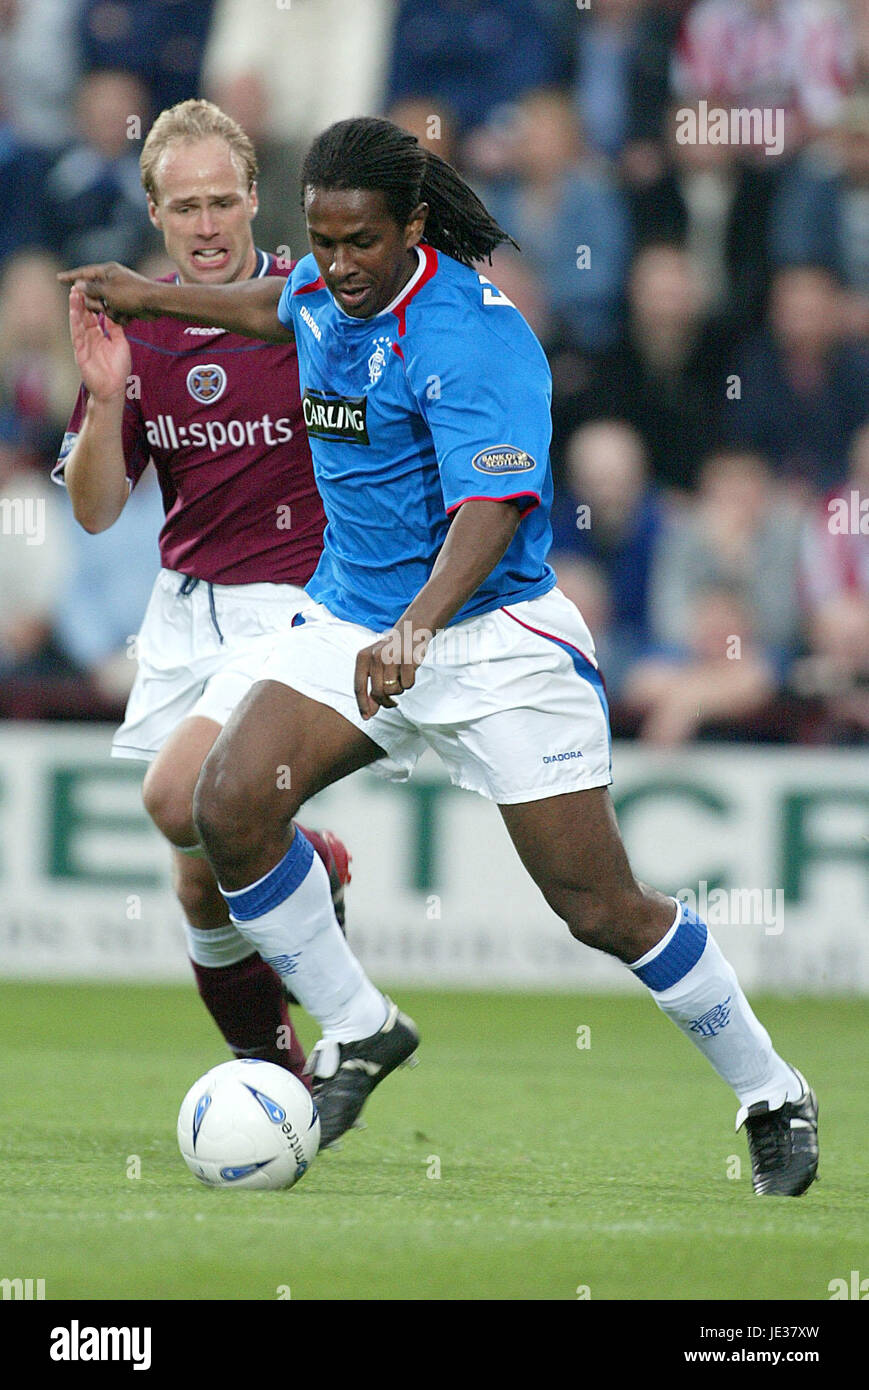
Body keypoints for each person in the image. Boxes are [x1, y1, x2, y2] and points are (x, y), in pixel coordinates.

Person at [61, 116, 818, 1196]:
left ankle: (770, 1090)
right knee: (222, 801)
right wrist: (147, 296)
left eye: (359, 242)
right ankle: (360, 1029)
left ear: (412, 224)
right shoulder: (324, 291)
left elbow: (494, 503)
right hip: (347, 623)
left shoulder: (471, 331)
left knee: (598, 907)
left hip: (490, 638)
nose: (336, 265)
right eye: (319, 240)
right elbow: (272, 310)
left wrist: (418, 627)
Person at [56, 99, 352, 1085]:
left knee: (177, 795)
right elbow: (97, 510)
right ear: (155, 215)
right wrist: (105, 400)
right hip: (186, 612)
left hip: (299, 602)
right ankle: (280, 1083)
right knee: (197, 880)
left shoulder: (311, 307)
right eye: (185, 207)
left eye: (224, 200)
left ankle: (316, 869)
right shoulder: (137, 333)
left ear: (256, 199)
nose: (208, 224)